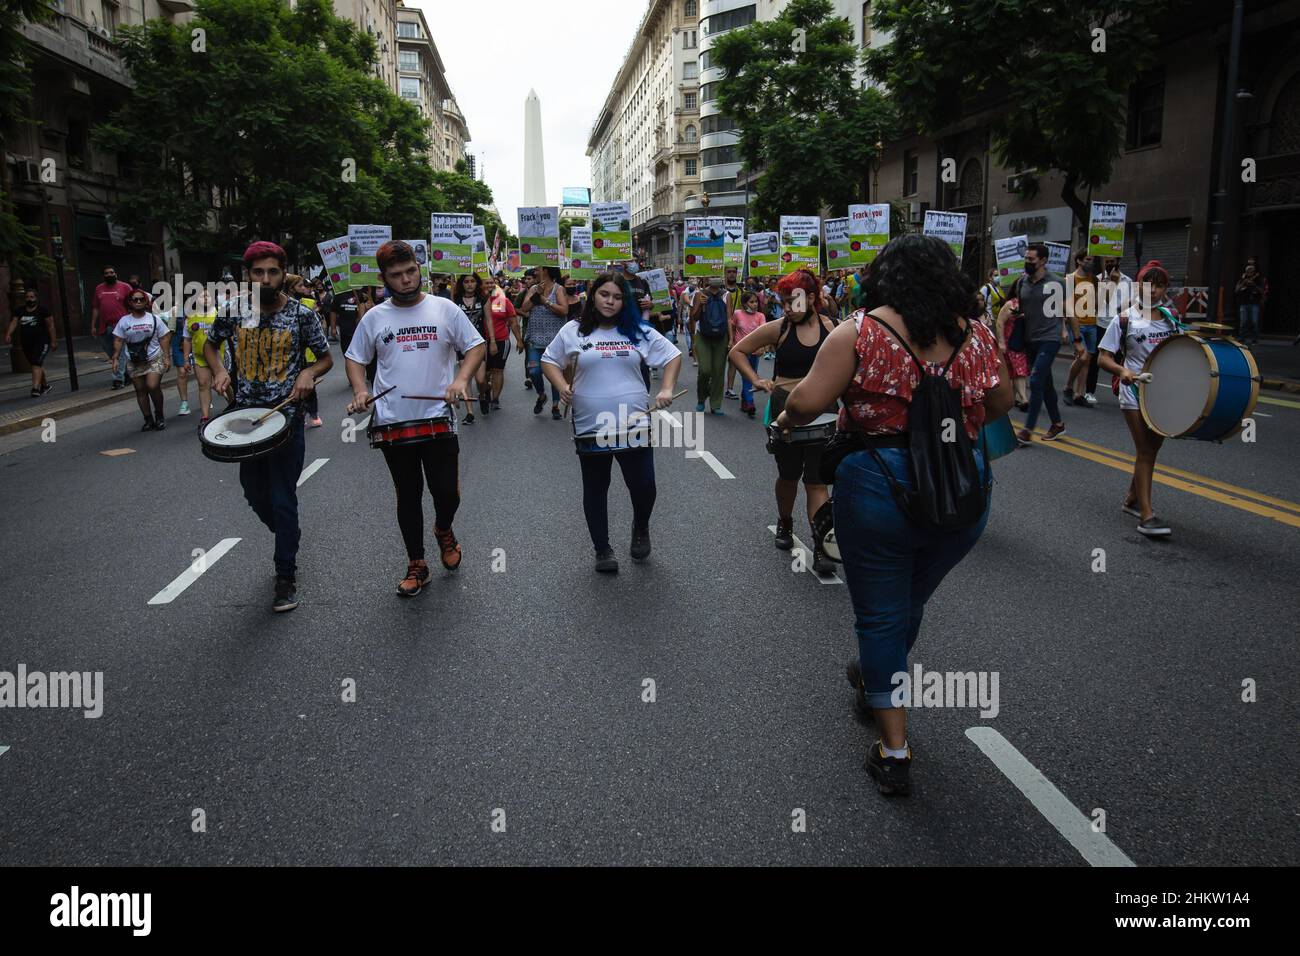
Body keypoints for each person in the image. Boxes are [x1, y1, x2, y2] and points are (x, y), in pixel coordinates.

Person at [777, 234, 1012, 796]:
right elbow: (1002, 402)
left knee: (881, 617)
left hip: (880, 483)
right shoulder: (975, 333)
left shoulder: (859, 331)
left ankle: (894, 750)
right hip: (962, 488)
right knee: (909, 602)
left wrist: (786, 420)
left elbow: (808, 402)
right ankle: (877, 675)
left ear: (886, 276)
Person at [344, 241, 484, 596]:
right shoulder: (375, 317)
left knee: (446, 494)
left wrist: (461, 379)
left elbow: (476, 346)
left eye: (410, 272)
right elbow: (355, 358)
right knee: (408, 494)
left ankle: (443, 529)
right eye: (396, 275)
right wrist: (360, 390)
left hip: (437, 416)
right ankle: (416, 563)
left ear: (419, 268)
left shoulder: (445, 309)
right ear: (383, 279)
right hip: (392, 420)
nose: (406, 280)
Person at [206, 241, 333, 613]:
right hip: (245, 420)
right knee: (254, 493)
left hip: (287, 420)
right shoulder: (233, 311)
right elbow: (211, 346)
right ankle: (287, 532)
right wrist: (219, 371)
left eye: (272, 271)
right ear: (248, 275)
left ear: (283, 273)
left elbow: (325, 358)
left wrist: (308, 373)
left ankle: (285, 576)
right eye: (258, 272)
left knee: (282, 497)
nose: (265, 278)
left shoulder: (301, 315)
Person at [541, 273, 682, 573]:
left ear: (624, 301)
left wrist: (667, 388)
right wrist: (561, 386)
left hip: (635, 424)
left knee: (644, 486)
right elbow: (549, 360)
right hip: (591, 425)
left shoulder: (637, 331)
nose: (610, 301)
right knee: (596, 488)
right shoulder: (573, 331)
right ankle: (602, 549)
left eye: (617, 297)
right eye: (605, 294)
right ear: (593, 295)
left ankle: (640, 525)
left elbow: (672, 356)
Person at [729, 269, 838, 575]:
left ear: (813, 298)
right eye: (783, 302)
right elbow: (737, 352)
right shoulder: (779, 329)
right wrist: (756, 380)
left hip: (824, 410)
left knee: (817, 482)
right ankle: (785, 522)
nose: (787, 308)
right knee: (789, 475)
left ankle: (821, 547)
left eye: (793, 301)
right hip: (785, 410)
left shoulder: (832, 328)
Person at [1098, 260, 1184, 538]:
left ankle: (1132, 499)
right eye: (1149, 284)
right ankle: (1147, 515)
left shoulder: (1172, 318)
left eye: (1160, 285)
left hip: (1163, 393)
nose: (1154, 291)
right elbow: (1103, 358)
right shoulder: (1124, 319)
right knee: (1146, 450)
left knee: (1152, 450)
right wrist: (1123, 371)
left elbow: (1183, 352)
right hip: (1133, 391)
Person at [1014, 242, 1085, 446]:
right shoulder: (1022, 283)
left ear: (1043, 260)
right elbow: (1022, 310)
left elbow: (1069, 312)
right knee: (1046, 384)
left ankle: (1027, 430)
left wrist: (1077, 340)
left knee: (1035, 381)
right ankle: (1058, 424)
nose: (1027, 262)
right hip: (1030, 340)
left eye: (1031, 259)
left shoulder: (1056, 283)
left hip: (1050, 338)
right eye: (1026, 258)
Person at [110, 289, 172, 431]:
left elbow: (164, 337)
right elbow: (119, 340)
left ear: (146, 302)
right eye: (135, 299)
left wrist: (167, 357)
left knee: (152, 385)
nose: (138, 302)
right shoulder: (124, 321)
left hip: (154, 359)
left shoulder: (154, 319)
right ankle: (148, 419)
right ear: (130, 302)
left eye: (141, 299)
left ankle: (159, 416)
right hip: (134, 361)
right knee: (140, 390)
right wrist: (115, 358)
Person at [521, 266, 571, 419]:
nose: (535, 272)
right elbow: (524, 308)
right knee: (534, 371)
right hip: (535, 339)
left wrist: (544, 301)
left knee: (556, 374)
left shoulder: (559, 289)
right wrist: (537, 295)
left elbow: (564, 310)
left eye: (537, 270)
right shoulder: (533, 289)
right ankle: (542, 395)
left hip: (555, 341)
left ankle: (555, 405)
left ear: (546, 271)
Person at [451, 272, 494, 421]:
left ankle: (483, 394)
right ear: (461, 284)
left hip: (478, 343)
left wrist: (493, 341)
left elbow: (489, 321)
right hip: (461, 344)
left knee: (481, 380)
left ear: (477, 283)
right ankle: (470, 412)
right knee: (466, 377)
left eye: (472, 281)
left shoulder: (483, 299)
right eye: (466, 282)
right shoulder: (455, 300)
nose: (469, 284)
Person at [180, 288, 224, 432]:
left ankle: (235, 407)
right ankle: (205, 417)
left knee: (224, 385)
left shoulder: (220, 314)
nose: (205, 298)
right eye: (201, 296)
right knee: (203, 385)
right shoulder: (190, 318)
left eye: (208, 295)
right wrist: (186, 360)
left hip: (220, 357)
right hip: (200, 358)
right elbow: (187, 340)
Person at [1090, 257, 1131, 401]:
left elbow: (1130, 303)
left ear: (1118, 261)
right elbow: (1098, 304)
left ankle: (1121, 389)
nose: (1109, 264)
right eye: (1106, 262)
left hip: (1120, 326)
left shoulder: (1127, 281)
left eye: (1112, 261)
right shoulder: (1097, 279)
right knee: (1096, 359)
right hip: (1101, 324)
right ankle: (1089, 391)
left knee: (1120, 360)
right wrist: (1112, 283)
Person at [690, 277, 732, 415]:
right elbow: (694, 317)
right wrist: (700, 305)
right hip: (703, 336)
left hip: (721, 336)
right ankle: (701, 398)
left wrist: (731, 339)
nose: (716, 279)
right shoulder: (698, 294)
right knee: (705, 370)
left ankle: (715, 404)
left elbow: (729, 318)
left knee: (719, 371)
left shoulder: (726, 295)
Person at [4, 287, 57, 396]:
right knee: (36, 364)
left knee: (36, 363)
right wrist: (8, 333)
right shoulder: (20, 310)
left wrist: (53, 341)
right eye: (27, 297)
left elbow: (51, 326)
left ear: (36, 298)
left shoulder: (43, 310)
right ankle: (45, 386)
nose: (30, 299)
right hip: (27, 343)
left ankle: (35, 389)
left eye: (32, 297)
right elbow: (14, 322)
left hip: (42, 342)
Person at [1063, 251, 1099, 406]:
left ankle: (1079, 394)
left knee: (1087, 361)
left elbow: (1099, 303)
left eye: (1092, 260)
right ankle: (1068, 387)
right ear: (1079, 260)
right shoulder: (1070, 279)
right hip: (1076, 324)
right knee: (1082, 357)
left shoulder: (1094, 279)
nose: (1090, 262)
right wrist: (1064, 328)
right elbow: (1065, 306)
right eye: (1088, 259)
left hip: (1092, 324)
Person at [484, 275, 523, 410]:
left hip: (501, 340)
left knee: (497, 370)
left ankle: (495, 399)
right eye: (486, 283)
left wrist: (519, 340)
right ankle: (485, 391)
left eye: (491, 283)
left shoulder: (503, 301)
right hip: (481, 342)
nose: (489, 285)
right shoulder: (478, 301)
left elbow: (513, 322)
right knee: (484, 374)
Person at [91, 266, 132, 389]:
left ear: (116, 274)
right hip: (105, 326)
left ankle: (118, 380)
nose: (110, 274)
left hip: (121, 326)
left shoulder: (125, 287)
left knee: (119, 354)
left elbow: (132, 304)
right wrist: (93, 325)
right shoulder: (99, 288)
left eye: (112, 272)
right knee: (111, 352)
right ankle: (125, 374)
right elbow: (96, 307)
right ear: (103, 275)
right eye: (107, 273)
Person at [729, 290, 766, 418]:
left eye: (756, 302)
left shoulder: (760, 316)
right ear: (744, 304)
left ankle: (745, 401)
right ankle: (750, 403)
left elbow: (763, 333)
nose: (755, 304)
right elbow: (732, 326)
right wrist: (732, 341)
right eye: (751, 302)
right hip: (741, 352)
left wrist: (763, 347)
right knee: (747, 377)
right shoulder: (737, 314)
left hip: (755, 352)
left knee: (751, 376)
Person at [994, 293, 1030, 410]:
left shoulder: (1032, 303)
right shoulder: (1011, 304)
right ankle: (1024, 399)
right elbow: (1000, 322)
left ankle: (1013, 398)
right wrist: (1001, 342)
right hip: (1011, 341)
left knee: (1014, 371)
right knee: (1019, 370)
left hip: (1023, 343)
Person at [1234, 257, 1268, 347]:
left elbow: (1262, 290)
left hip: (1254, 302)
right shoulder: (1243, 278)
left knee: (1254, 321)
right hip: (1244, 302)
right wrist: (1243, 283)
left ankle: (1254, 339)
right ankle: (1241, 338)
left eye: (1251, 270)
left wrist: (1254, 285)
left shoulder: (1259, 279)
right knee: (1243, 322)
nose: (1249, 273)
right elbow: (1236, 290)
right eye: (1248, 270)